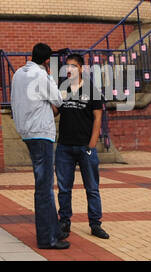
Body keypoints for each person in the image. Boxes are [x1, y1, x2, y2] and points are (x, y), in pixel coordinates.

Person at [11, 43, 67, 250]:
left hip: (26, 131)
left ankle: (55, 231)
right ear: (46, 61)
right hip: (41, 133)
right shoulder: (41, 75)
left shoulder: (18, 73)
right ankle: (47, 238)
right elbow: (58, 100)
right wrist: (50, 75)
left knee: (44, 185)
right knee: (44, 187)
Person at [55, 53, 110, 241]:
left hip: (85, 147)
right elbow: (55, 112)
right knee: (64, 188)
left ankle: (95, 224)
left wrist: (92, 145)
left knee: (92, 188)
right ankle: (64, 221)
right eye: (66, 66)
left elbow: (97, 119)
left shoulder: (92, 91)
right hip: (64, 147)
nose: (69, 69)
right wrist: (52, 96)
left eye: (72, 66)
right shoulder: (63, 89)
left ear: (81, 69)